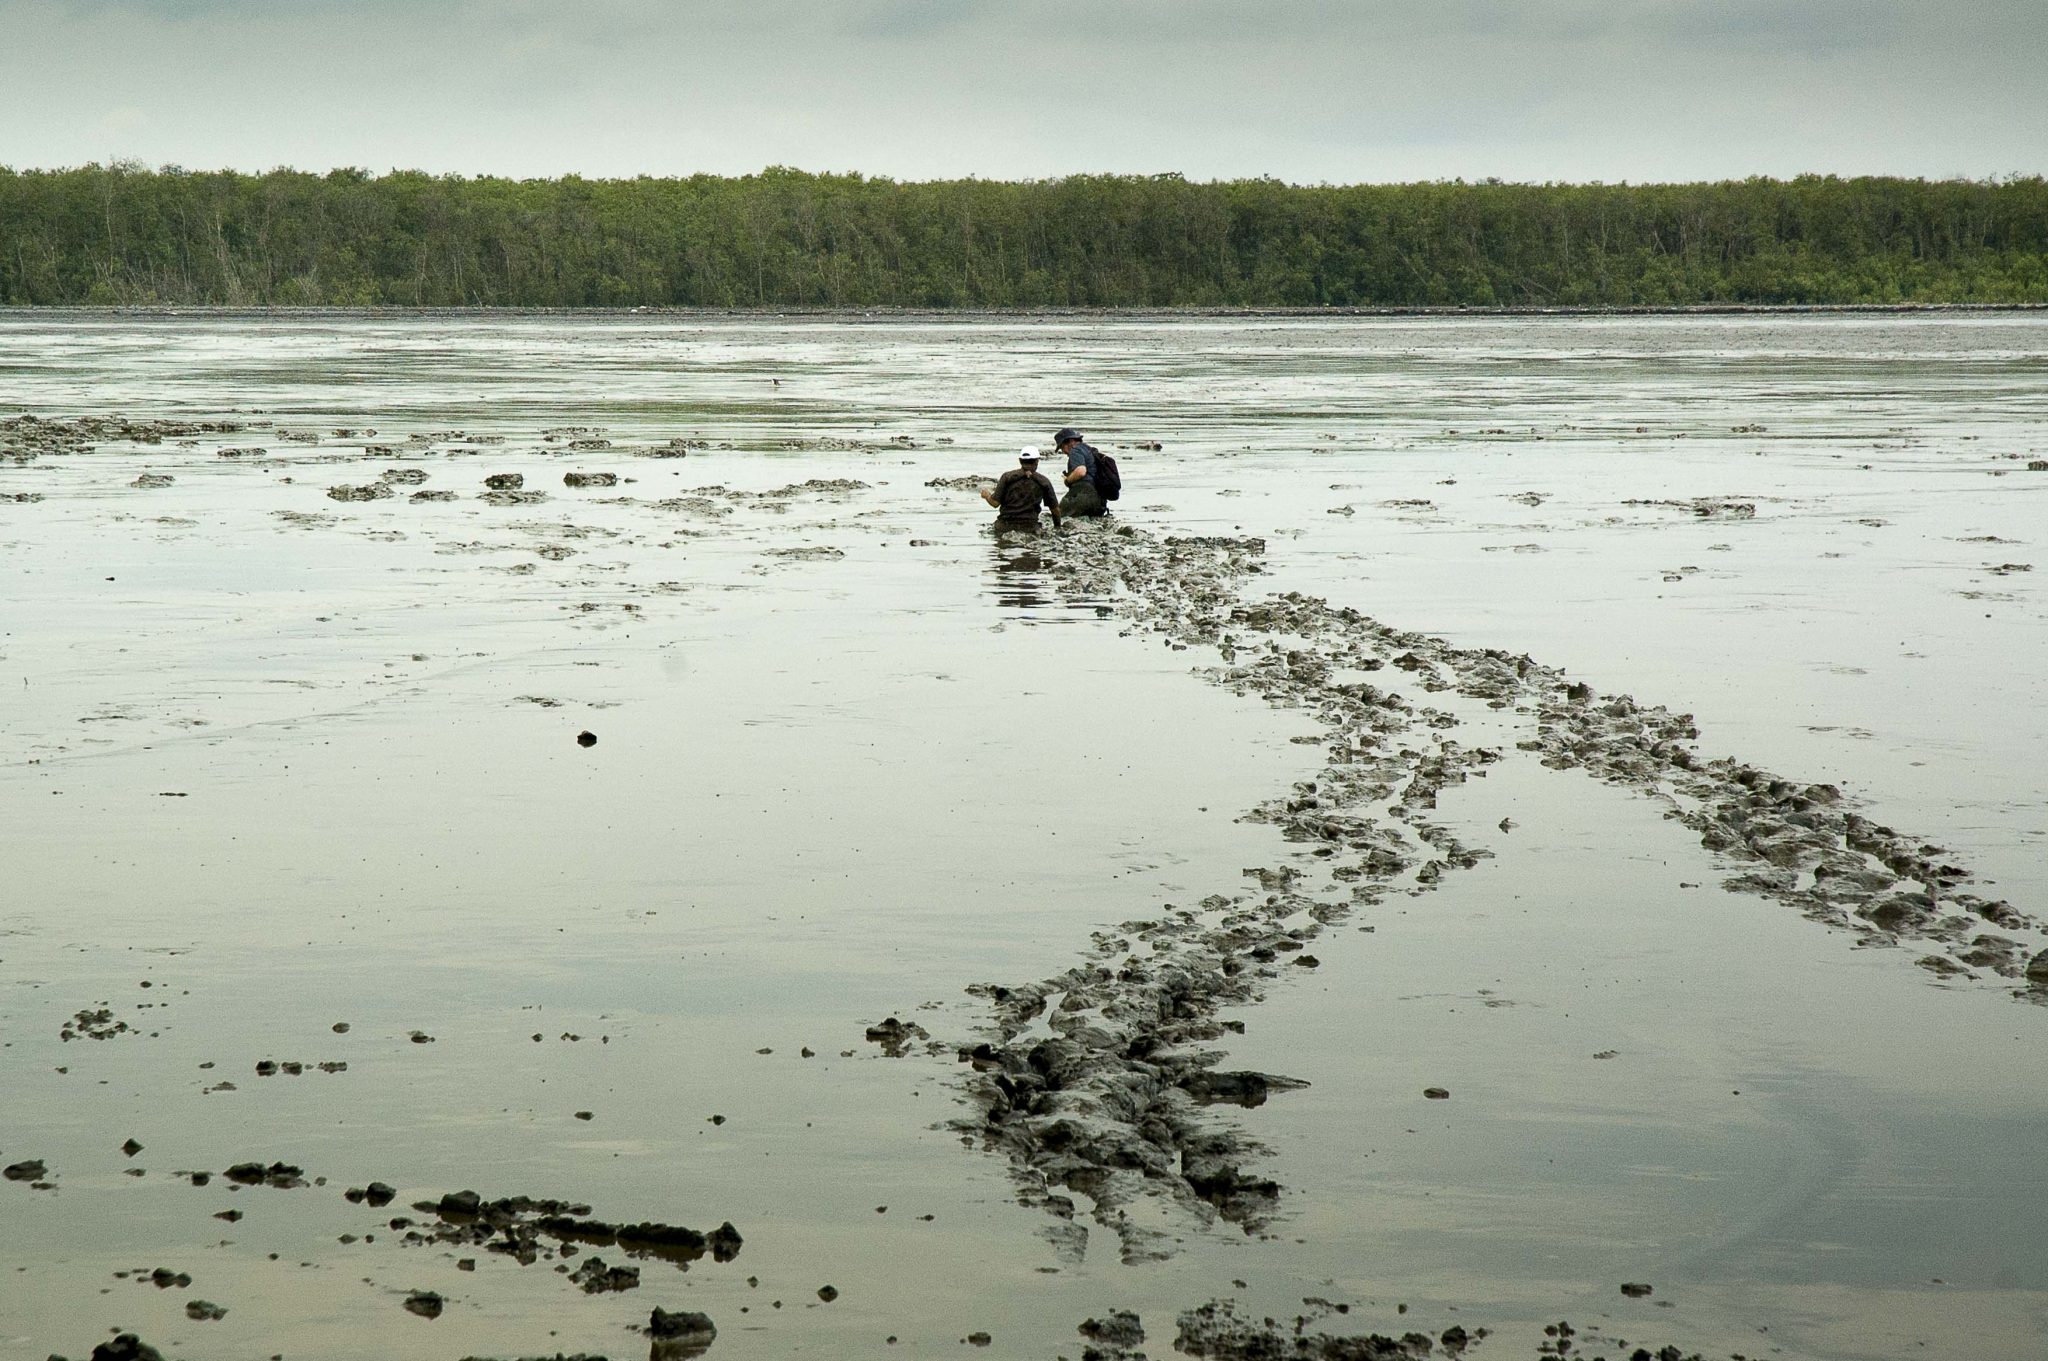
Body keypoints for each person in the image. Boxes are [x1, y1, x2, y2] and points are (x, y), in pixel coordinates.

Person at [981, 446, 1062, 531]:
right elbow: (1055, 510)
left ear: (1020, 460)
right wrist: (1058, 528)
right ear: (1037, 461)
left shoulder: (1007, 477)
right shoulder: (1044, 482)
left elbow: (995, 503)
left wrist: (987, 495)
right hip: (1030, 529)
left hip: (1004, 527)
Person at [1054, 426, 1107, 518]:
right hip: (1099, 500)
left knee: (1058, 518)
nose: (1063, 452)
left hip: (1083, 496)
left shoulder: (1075, 450)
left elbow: (1081, 471)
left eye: (1062, 447)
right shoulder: (1090, 450)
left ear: (1070, 442)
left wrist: (1068, 480)